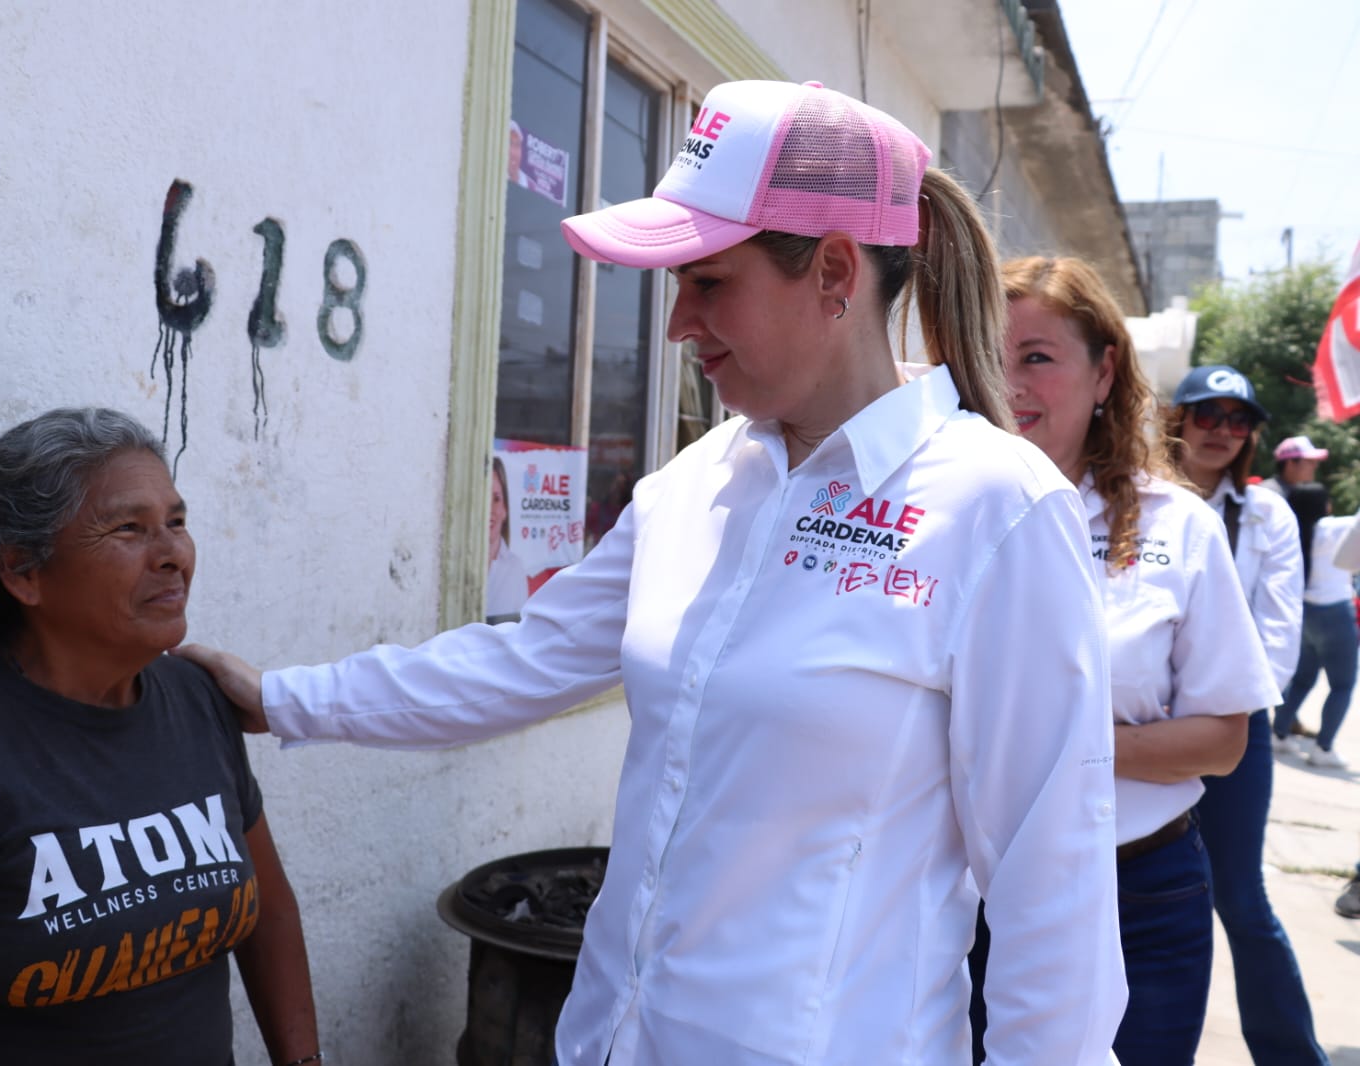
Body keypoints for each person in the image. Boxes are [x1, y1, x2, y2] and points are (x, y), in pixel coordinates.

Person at [179, 80, 1126, 1065]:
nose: (676, 323)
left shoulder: (996, 510)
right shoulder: (697, 484)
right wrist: (285, 699)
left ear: (836, 271)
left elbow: (1049, 890)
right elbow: (522, 661)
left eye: (709, 283)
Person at [0, 408, 320, 1066]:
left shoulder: (198, 700)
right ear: (23, 571)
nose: (172, 555)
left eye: (176, 522)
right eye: (129, 530)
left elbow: (270, 918)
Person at [996, 257, 1277, 1066]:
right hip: (974, 895)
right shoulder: (938, 518)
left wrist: (1066, 745)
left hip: (1141, 895)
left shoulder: (1179, 527)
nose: (1010, 380)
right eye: (991, 352)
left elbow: (1223, 741)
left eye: (1038, 356)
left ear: (1104, 370)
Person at [1165, 365, 1328, 1064]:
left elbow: (1277, 632)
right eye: (1209, 415)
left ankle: (1292, 1054)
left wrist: (1215, 717)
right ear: (1178, 419)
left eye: (1239, 421)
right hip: (1138, 724)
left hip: (1231, 726)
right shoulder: (1127, 496)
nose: (1224, 432)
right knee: (1147, 895)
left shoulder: (1267, 513)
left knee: (1239, 896)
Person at [1273, 481, 1360, 769]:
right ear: (1324, 506)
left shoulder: (1295, 530)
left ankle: (1279, 732)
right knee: (1342, 686)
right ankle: (1323, 747)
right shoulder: (1333, 528)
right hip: (1335, 614)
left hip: (1306, 612)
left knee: (1301, 680)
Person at [486, 455, 528, 621]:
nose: (489, 508)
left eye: (496, 499)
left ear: (505, 510)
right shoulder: (457, 563)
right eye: (483, 497)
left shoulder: (515, 569)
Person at [1265, 435, 1329, 499]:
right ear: (1290, 464)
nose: (1315, 466)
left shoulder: (1297, 493)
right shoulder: (1269, 495)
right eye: (1310, 461)